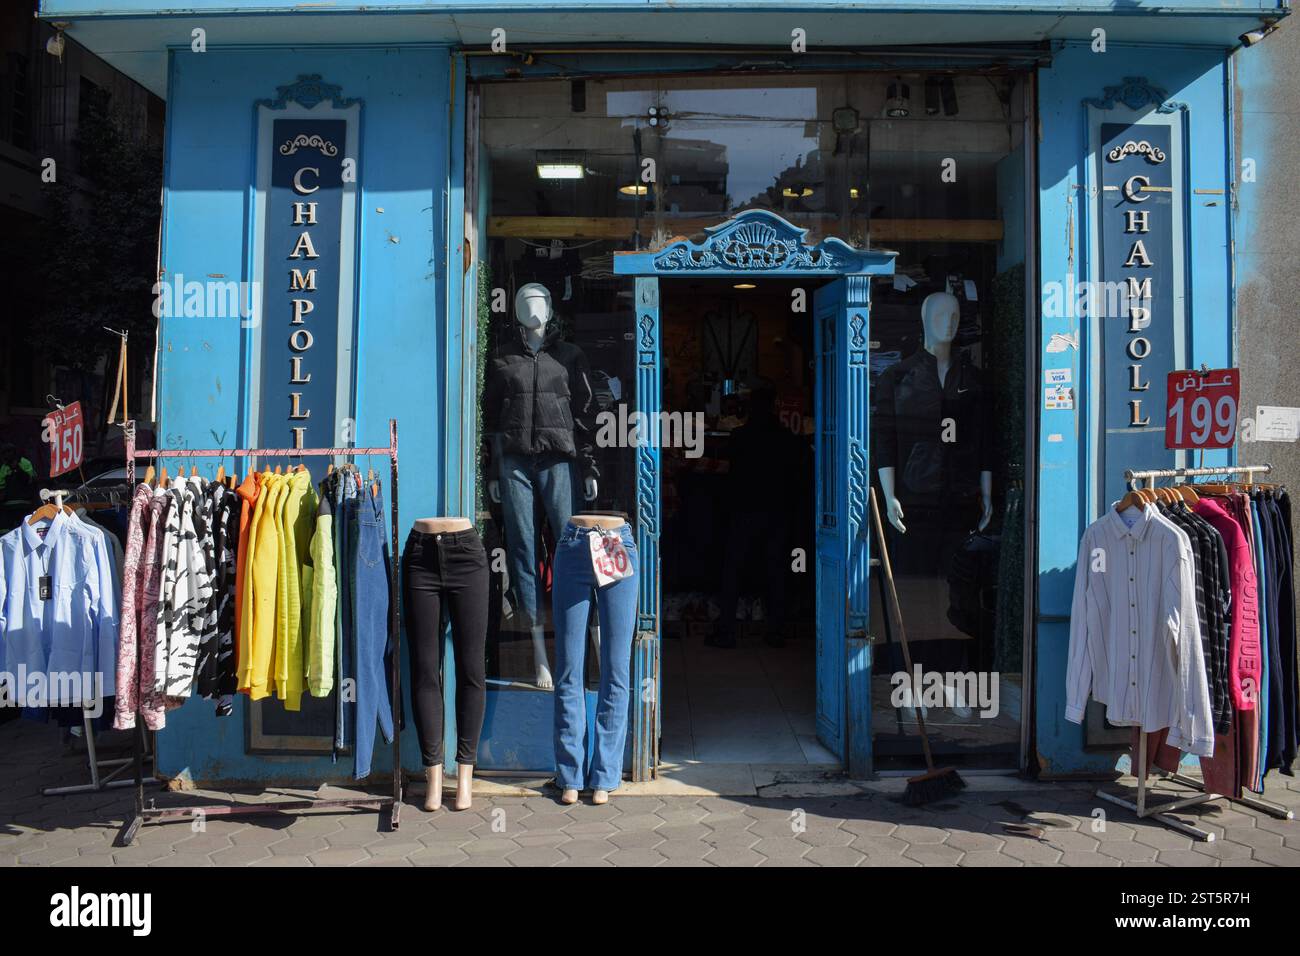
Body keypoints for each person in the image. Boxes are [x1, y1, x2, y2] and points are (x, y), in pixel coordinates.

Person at [709, 386, 803, 649]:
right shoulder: (786, 437)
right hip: (777, 511)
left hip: (744, 510)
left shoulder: (740, 437)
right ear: (773, 405)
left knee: (733, 569)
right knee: (776, 571)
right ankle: (775, 630)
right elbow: (794, 475)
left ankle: (726, 630)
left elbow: (732, 475)